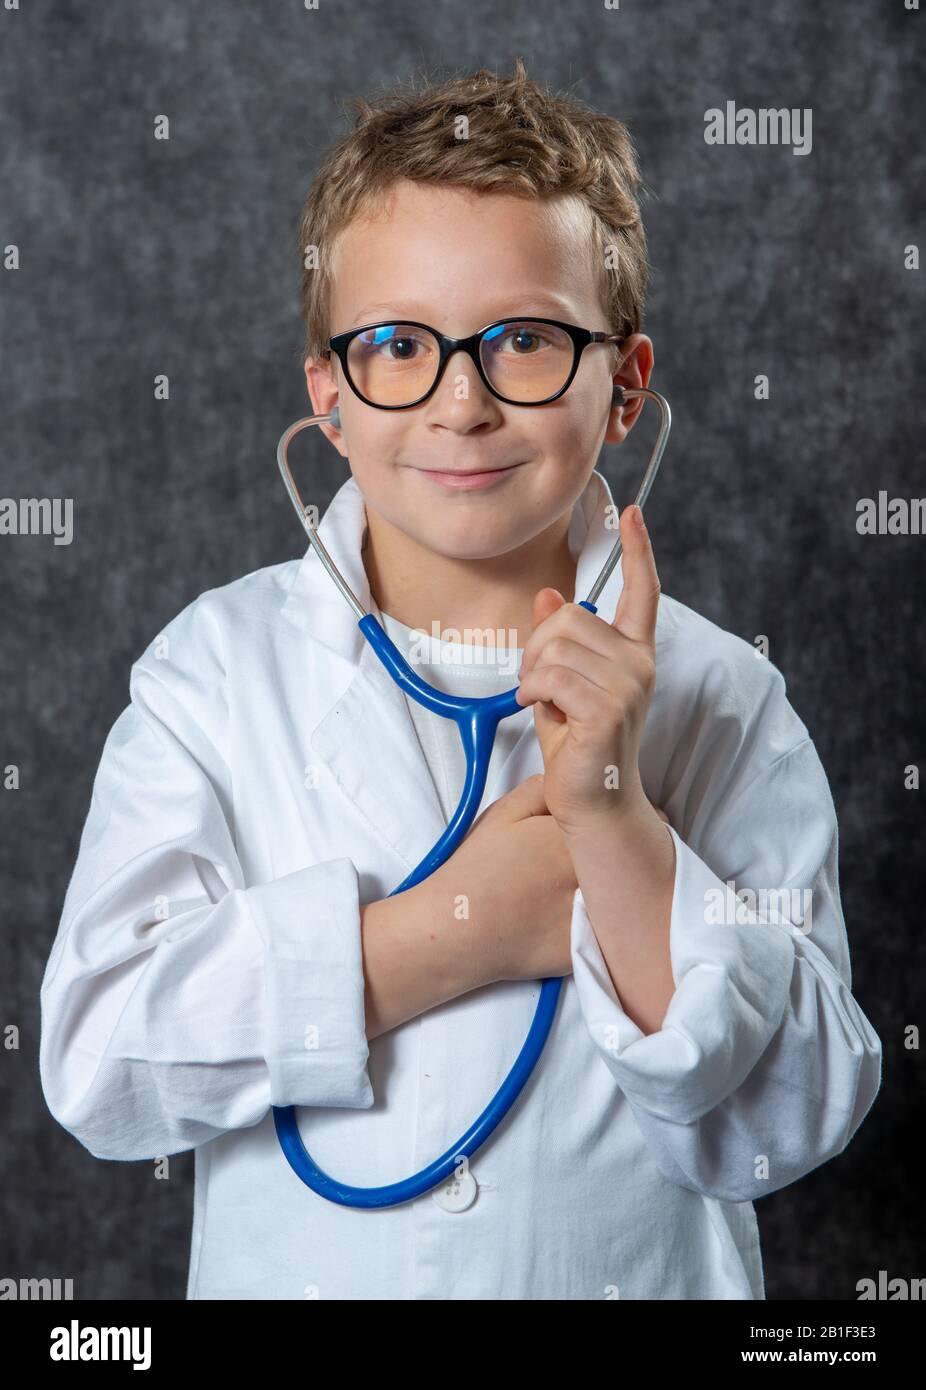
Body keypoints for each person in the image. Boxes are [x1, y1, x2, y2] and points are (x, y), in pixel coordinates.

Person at [39, 58, 882, 1300]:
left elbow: (789, 1119)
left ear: (625, 386)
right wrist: (470, 923)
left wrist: (611, 823)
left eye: (525, 339)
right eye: (395, 345)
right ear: (327, 395)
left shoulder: (719, 698)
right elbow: (102, 1066)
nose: (460, 401)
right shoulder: (214, 676)